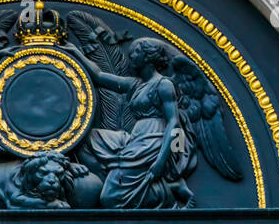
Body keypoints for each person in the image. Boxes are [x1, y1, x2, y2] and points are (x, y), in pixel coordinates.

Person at [74, 37, 195, 209]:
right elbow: (99, 77)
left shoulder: (164, 85)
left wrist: (161, 161)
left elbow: (174, 123)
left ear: (148, 57)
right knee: (88, 138)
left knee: (110, 199)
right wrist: (75, 52)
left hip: (154, 140)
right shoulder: (136, 84)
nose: (131, 55)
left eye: (136, 51)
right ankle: (108, 178)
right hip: (136, 138)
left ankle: (165, 190)